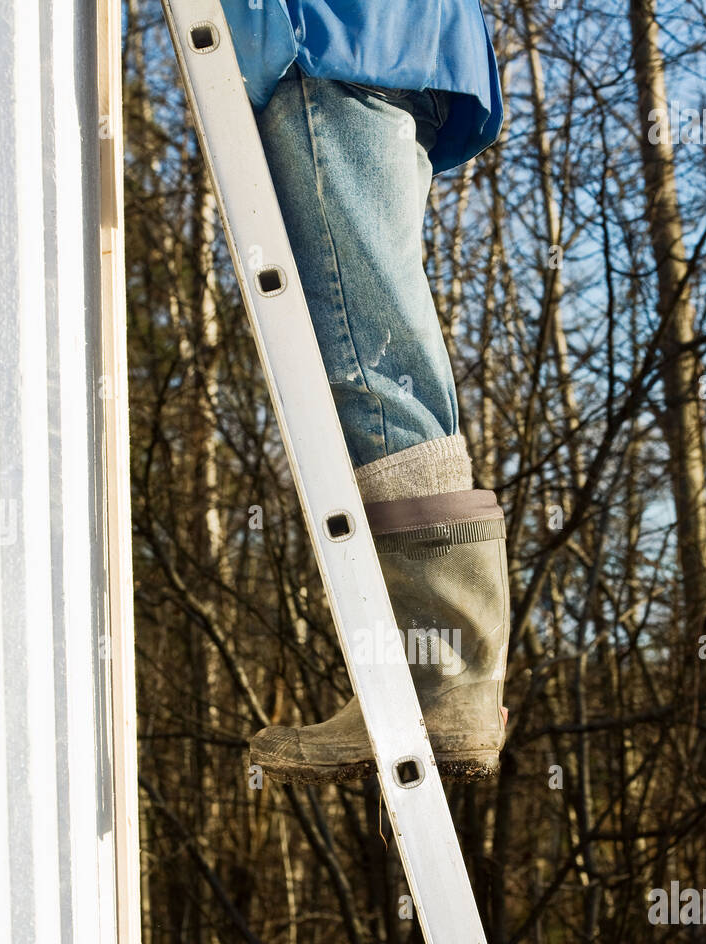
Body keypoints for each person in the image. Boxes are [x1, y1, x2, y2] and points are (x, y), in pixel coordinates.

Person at [221, 0, 509, 783]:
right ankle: (443, 669)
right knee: (373, 344)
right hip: (382, 44)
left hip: (331, 41)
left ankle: (444, 671)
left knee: (368, 360)